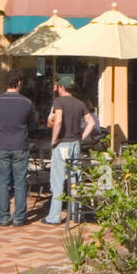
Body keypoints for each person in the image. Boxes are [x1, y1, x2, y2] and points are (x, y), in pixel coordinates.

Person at [44, 74, 95, 226]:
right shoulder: (80, 103)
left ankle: (54, 217)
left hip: (62, 144)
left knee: (58, 180)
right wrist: (81, 138)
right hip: (75, 144)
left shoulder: (59, 101)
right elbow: (91, 123)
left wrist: (54, 139)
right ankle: (76, 215)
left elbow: (58, 120)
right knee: (75, 180)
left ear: (62, 87)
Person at [0, 70, 38, 227]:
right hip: (20, 145)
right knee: (20, 182)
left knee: (3, 182)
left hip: (2, 145)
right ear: (19, 83)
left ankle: (3, 217)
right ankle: (19, 217)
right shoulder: (26, 103)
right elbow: (32, 125)